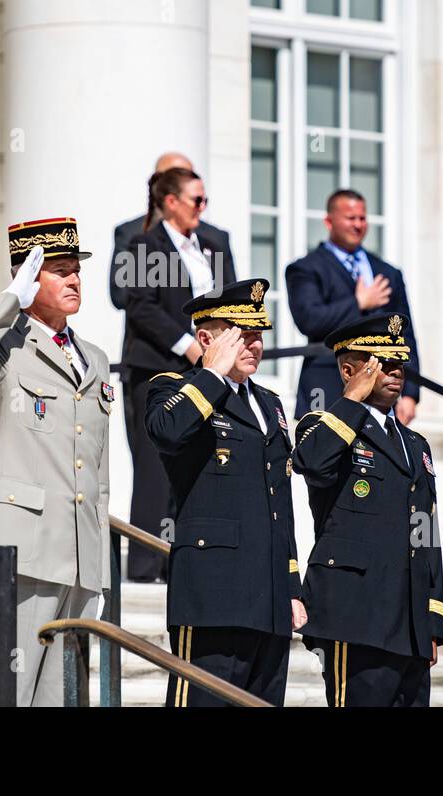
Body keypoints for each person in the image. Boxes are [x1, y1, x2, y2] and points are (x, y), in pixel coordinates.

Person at [0, 220, 112, 708]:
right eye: (60, 272)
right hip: (19, 546)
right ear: (31, 280)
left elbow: (97, 469)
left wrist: (98, 556)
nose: (75, 280)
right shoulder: (5, 344)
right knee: (9, 693)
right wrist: (9, 299)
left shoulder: (94, 358)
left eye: (76, 271)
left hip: (78, 553)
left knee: (62, 698)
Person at [144, 279, 304, 707]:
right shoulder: (176, 387)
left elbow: (280, 503)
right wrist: (212, 373)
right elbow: (167, 431)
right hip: (213, 592)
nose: (252, 344)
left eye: (257, 335)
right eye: (239, 335)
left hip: (268, 597)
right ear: (206, 339)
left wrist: (291, 586)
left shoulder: (270, 404)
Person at [291, 313, 443, 707]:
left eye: (400, 363)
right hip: (354, 615)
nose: (395, 372)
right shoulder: (323, 424)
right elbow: (313, 462)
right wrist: (351, 401)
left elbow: (426, 533)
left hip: (407, 622)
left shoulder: (417, 445)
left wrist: (432, 621)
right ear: (349, 369)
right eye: (382, 363)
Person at [119, 167, 235, 581]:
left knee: (195, 462)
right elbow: (140, 305)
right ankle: (144, 565)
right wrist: (189, 345)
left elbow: (230, 300)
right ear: (171, 202)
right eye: (196, 200)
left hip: (207, 370)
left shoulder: (212, 245)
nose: (203, 209)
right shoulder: (142, 244)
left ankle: (180, 561)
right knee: (153, 469)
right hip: (158, 369)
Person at [286, 189, 421, 423]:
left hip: (382, 393)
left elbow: (405, 333)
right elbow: (309, 320)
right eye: (350, 218)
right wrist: (358, 303)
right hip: (326, 388)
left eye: (362, 218)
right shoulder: (306, 268)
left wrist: (410, 393)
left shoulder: (388, 272)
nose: (358, 225)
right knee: (322, 455)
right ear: (329, 221)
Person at [109, 152, 231, 311]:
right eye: (175, 177)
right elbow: (121, 296)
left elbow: (230, 298)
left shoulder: (214, 238)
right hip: (156, 333)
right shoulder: (133, 233)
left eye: (189, 176)